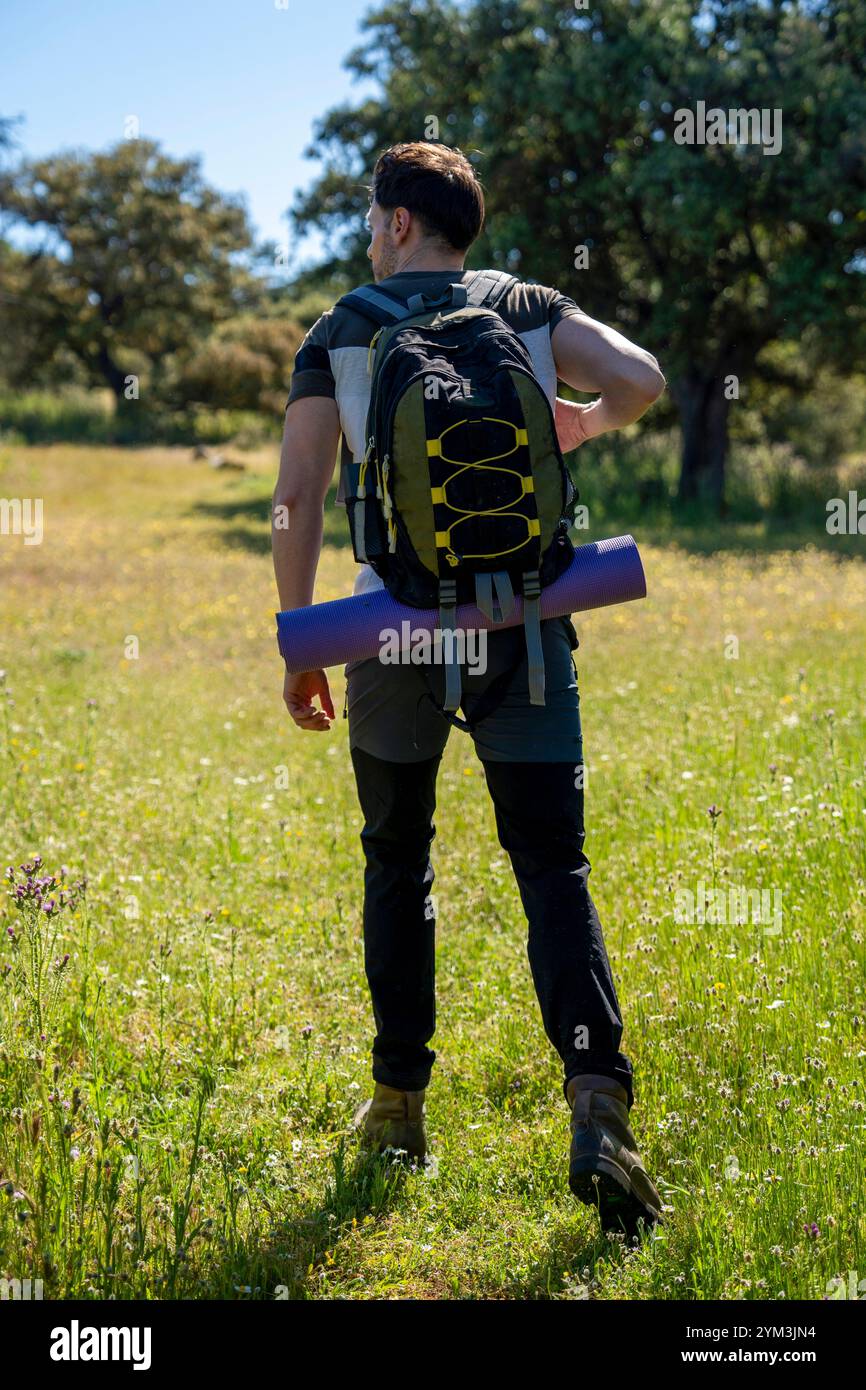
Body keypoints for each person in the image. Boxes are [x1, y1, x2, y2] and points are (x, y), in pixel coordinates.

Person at [272, 142, 666, 1236]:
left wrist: (302, 644)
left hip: (388, 629)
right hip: (527, 629)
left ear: (398, 222)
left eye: (369, 216)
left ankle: (398, 1106)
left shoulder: (341, 326)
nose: (365, 232)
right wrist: (579, 420)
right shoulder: (527, 306)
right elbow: (640, 379)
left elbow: (296, 496)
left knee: (398, 858)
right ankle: (598, 1106)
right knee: (551, 865)